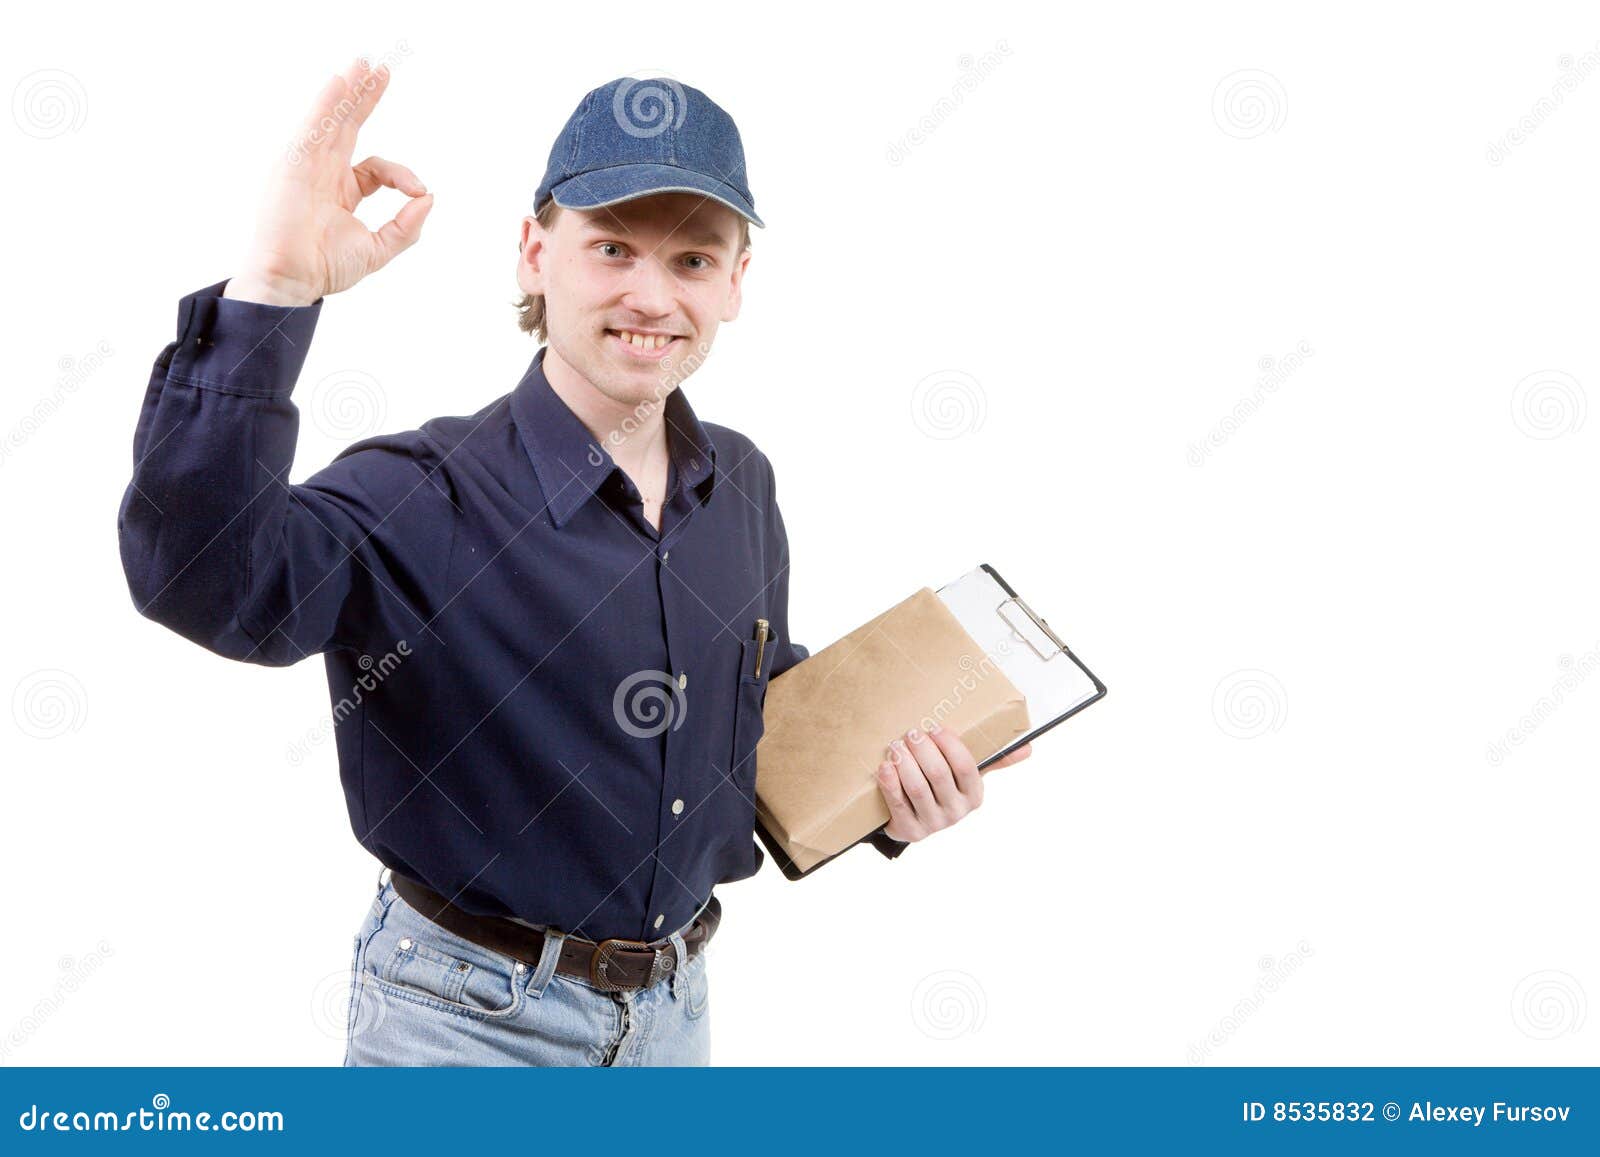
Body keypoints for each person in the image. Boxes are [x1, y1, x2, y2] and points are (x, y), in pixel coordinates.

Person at [116, 60, 1032, 1067]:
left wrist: (894, 785)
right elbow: (204, 581)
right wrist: (274, 294)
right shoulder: (420, 493)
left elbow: (738, 719)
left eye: (691, 260)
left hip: (675, 1016)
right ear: (532, 253)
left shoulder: (743, 482)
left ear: (734, 284)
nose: (650, 293)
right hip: (460, 1024)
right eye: (611, 248)